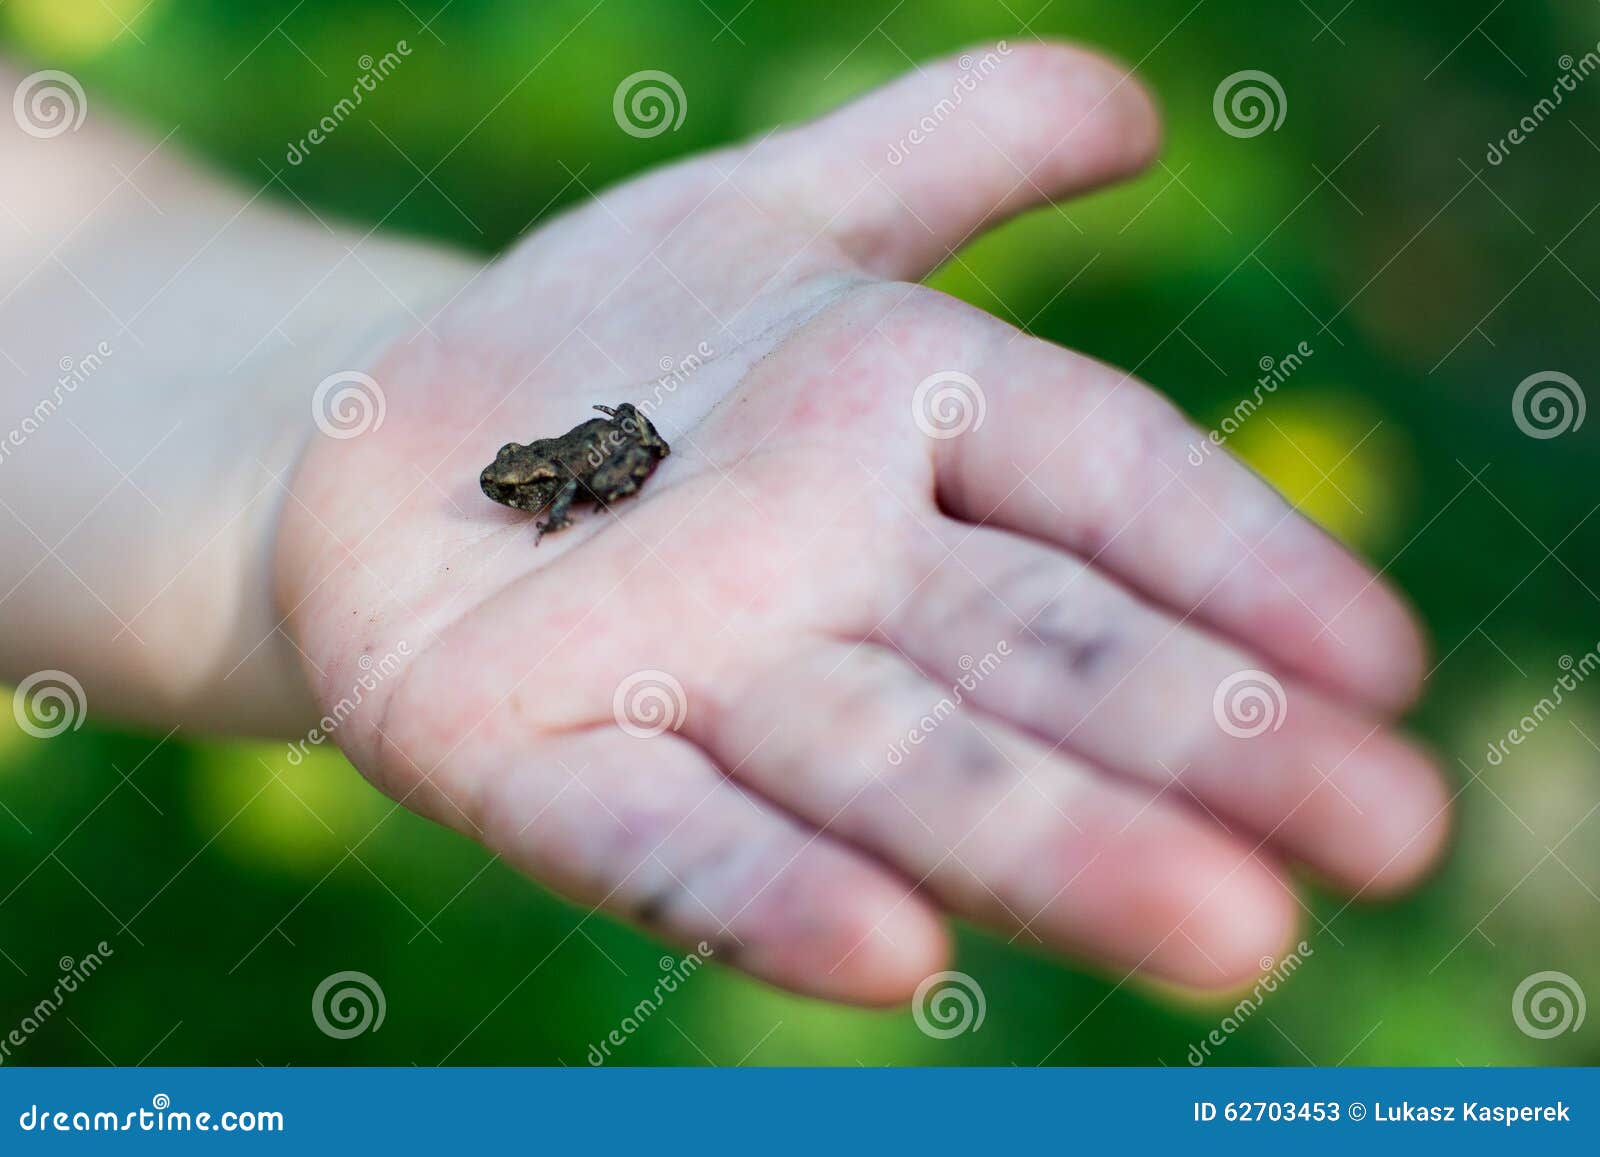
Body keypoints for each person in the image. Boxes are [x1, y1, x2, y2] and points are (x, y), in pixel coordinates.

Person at [0, 43, 1448, 1005]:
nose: (514, 505)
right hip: (602, 440)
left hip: (610, 443)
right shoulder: (540, 480)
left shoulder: (560, 478)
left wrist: (297, 433)